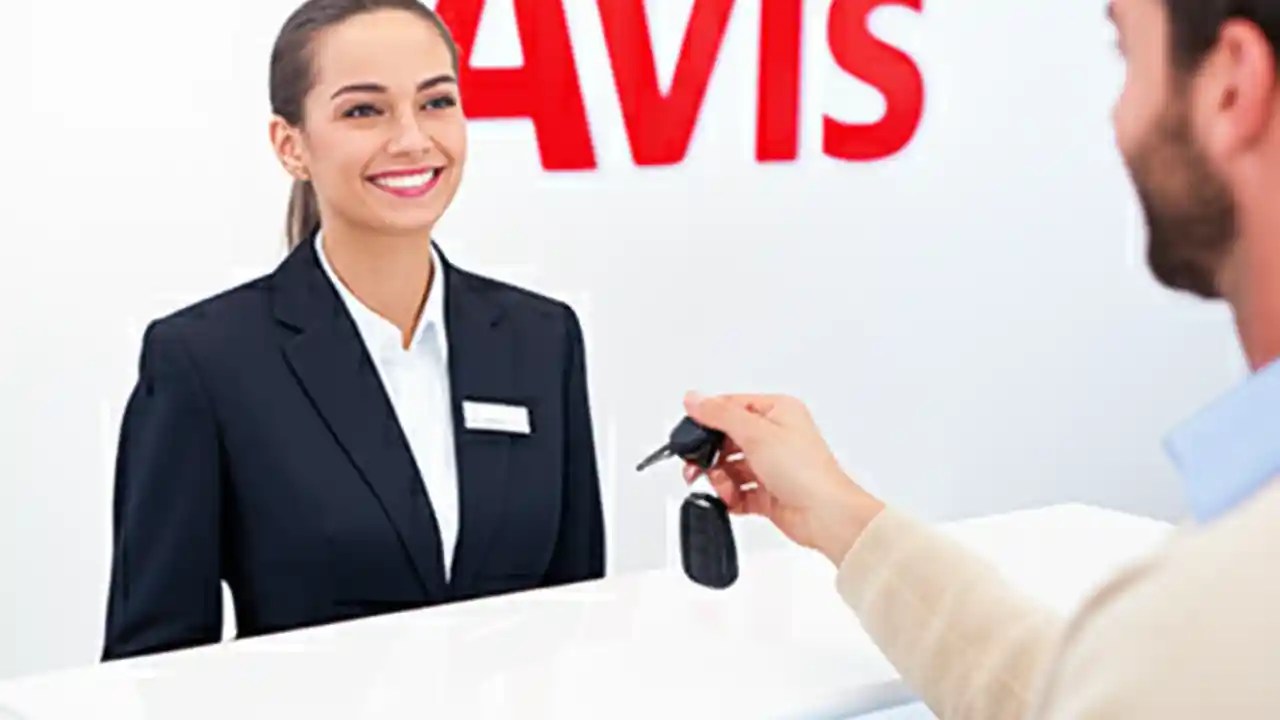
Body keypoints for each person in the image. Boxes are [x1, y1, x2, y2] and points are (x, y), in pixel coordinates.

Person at [682, 0, 1280, 717]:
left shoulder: (1214, 616)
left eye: (1127, 57)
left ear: (1231, 86)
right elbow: (1085, 696)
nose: (1118, 123)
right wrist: (842, 517)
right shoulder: (1199, 648)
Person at [102, 0, 604, 661]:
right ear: (292, 145)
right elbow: (153, 673)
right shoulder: (205, 363)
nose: (412, 139)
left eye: (436, 102)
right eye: (363, 110)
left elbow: (576, 622)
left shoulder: (543, 341)